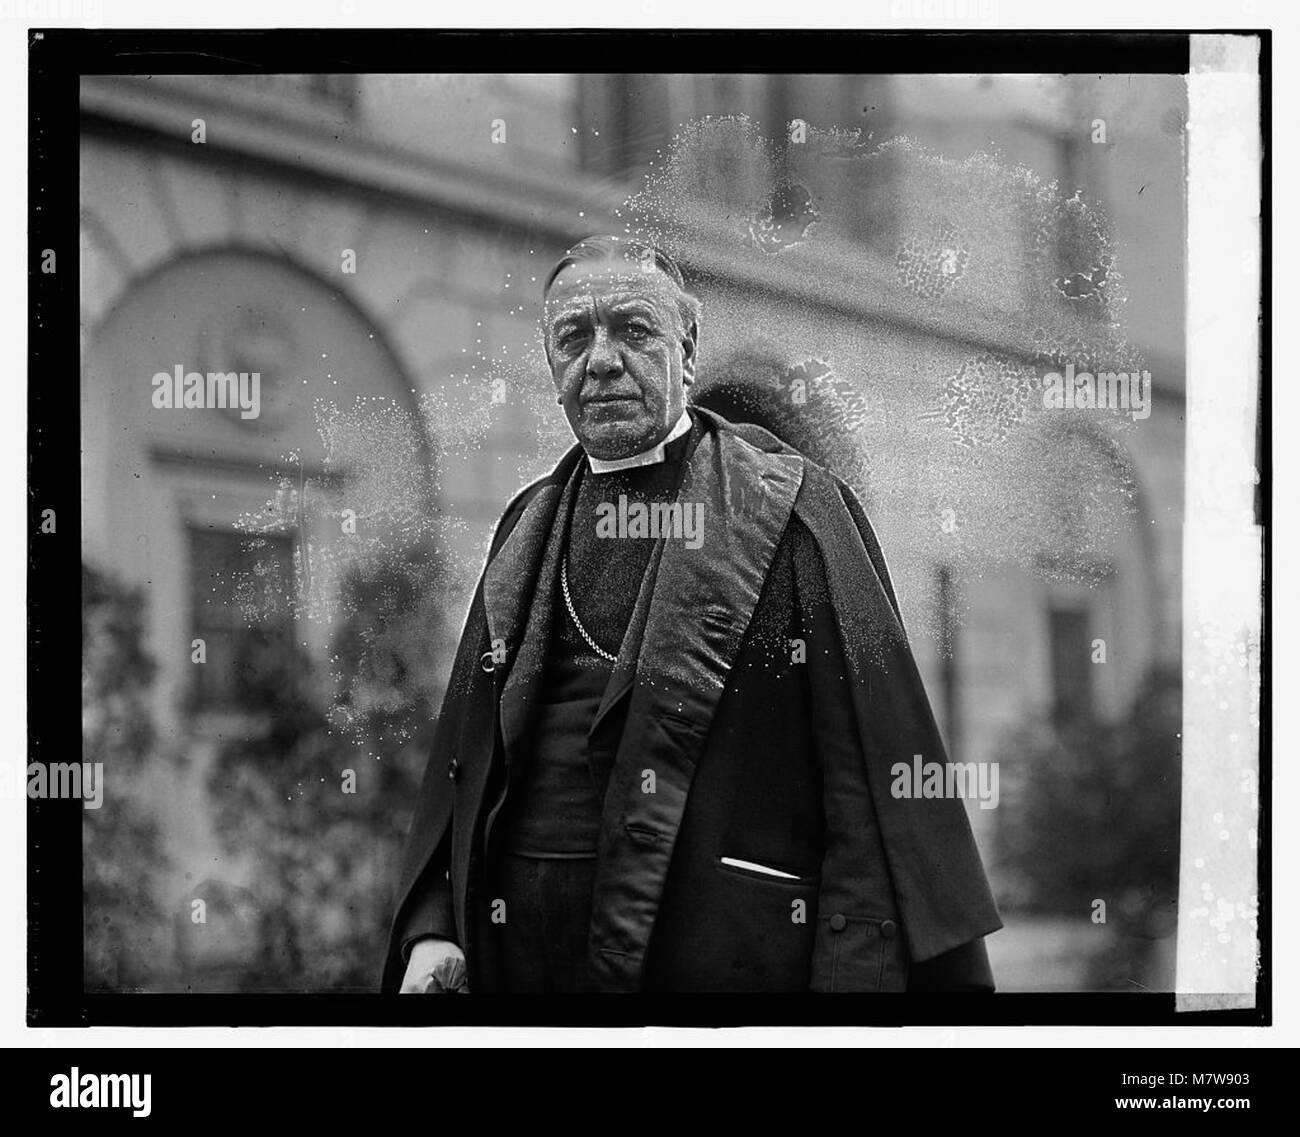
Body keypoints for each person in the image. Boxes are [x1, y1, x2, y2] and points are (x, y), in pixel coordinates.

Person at [382, 235, 1001, 994]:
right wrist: (434, 930)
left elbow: (867, 786)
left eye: (633, 330)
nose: (601, 359)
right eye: (573, 337)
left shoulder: (796, 513)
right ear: (551, 367)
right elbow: (464, 761)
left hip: (722, 966)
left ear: (689, 345)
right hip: (529, 969)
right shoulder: (525, 527)